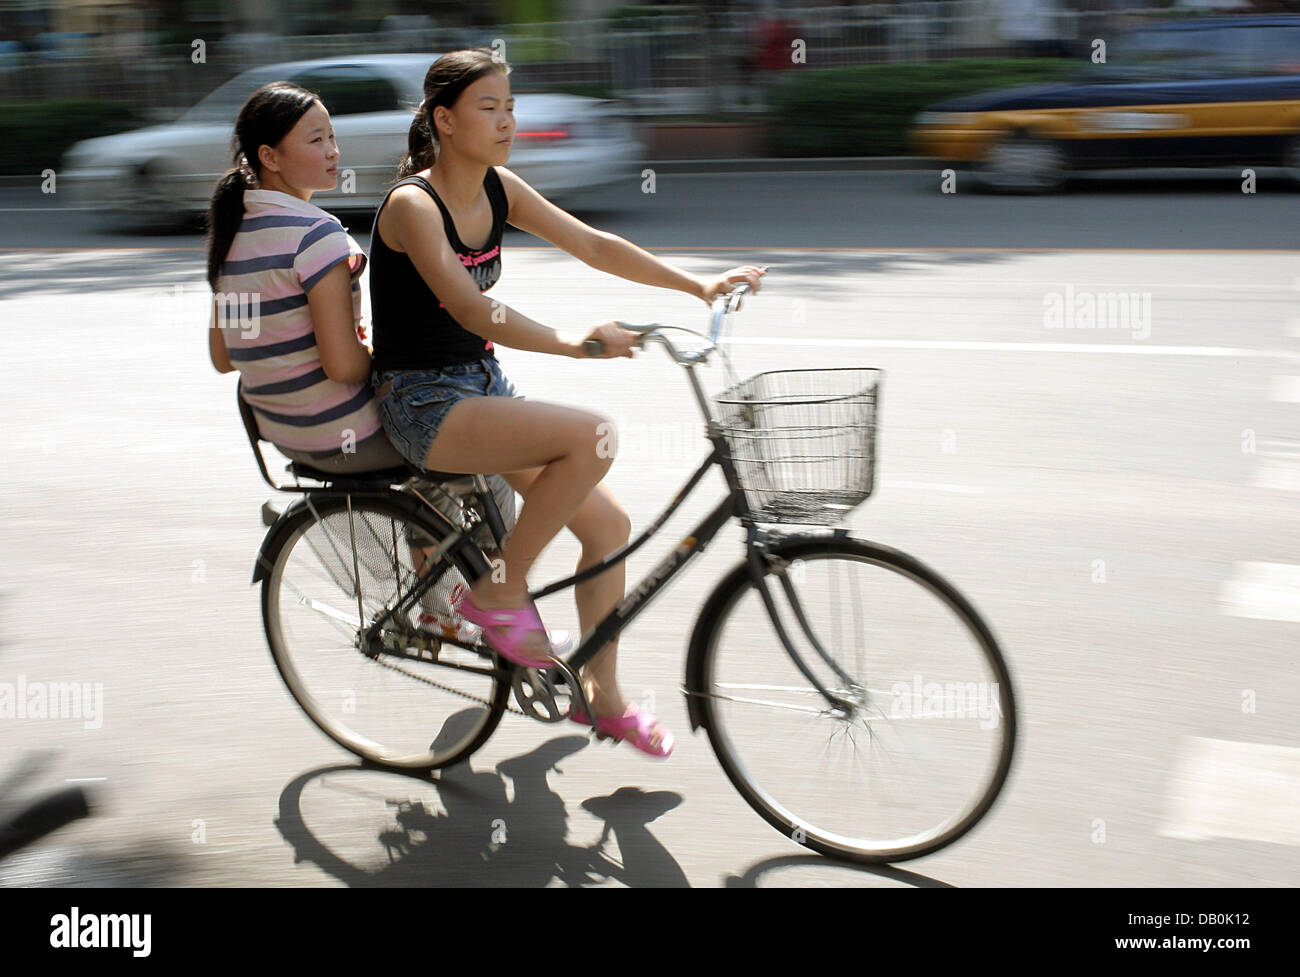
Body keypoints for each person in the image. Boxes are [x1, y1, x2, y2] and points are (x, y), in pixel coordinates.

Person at [367, 49, 765, 758]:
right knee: (593, 437)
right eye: (489, 108)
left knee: (608, 525)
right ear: (444, 120)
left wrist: (696, 286)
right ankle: (497, 592)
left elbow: (593, 244)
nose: (507, 121)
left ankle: (602, 698)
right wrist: (576, 343)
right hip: (421, 400)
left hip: (479, 388)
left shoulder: (498, 189)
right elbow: (471, 309)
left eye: (510, 107)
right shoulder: (411, 205)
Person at [203, 80, 518, 636]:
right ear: (269, 157)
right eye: (316, 139)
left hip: (283, 432)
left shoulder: (234, 235)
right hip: (340, 434)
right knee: (484, 453)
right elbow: (344, 368)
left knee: (445, 448)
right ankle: (482, 611)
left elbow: (224, 356)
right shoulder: (317, 236)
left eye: (332, 137)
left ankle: (440, 608)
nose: (332, 152)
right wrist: (368, 347)